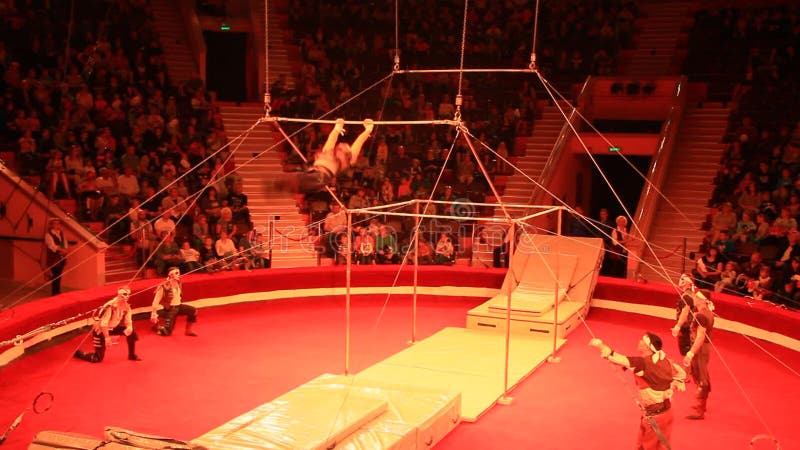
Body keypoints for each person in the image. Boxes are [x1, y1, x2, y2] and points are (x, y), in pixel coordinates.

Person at [590, 332, 686, 450]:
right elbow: (682, 374)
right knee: (660, 446)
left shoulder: (643, 363)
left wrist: (601, 346)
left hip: (655, 416)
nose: (639, 341)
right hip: (667, 412)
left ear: (647, 346)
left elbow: (619, 359)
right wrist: (673, 386)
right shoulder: (665, 360)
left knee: (647, 446)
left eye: (642, 340)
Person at [279, 119, 374, 193]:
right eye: (340, 145)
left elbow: (359, 142)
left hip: (320, 178)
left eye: (344, 147)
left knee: (289, 181)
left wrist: (368, 130)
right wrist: (337, 128)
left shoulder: (347, 160)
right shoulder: (329, 153)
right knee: (285, 181)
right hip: (312, 173)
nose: (342, 144)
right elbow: (332, 139)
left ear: (347, 153)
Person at [74, 286, 141, 362]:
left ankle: (132, 355)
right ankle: (80, 354)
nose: (127, 296)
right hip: (101, 331)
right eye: (125, 294)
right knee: (97, 359)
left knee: (132, 331)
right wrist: (107, 338)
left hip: (113, 328)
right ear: (119, 294)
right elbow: (103, 324)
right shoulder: (110, 306)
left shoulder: (127, 307)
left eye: (128, 294)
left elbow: (128, 320)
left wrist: (129, 327)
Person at [678, 287, 715, 420]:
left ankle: (700, 409)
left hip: (700, 349)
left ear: (702, 301)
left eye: (697, 298)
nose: (694, 299)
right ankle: (702, 405)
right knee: (701, 375)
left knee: (701, 377)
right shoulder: (707, 313)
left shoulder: (701, 316)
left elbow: (700, 337)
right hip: (703, 348)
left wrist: (691, 353)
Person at [150, 267, 198, 337]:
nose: (177, 275)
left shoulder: (179, 282)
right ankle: (157, 326)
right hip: (170, 309)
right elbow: (156, 301)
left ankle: (188, 331)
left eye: (178, 273)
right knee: (167, 332)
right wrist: (153, 314)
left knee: (193, 311)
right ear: (170, 275)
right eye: (175, 273)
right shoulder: (163, 286)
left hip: (179, 306)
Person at [44, 218, 68, 295]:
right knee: (55, 275)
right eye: (55, 223)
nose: (57, 225)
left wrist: (65, 250)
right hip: (53, 257)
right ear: (51, 225)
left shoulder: (61, 233)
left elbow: (64, 242)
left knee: (59, 275)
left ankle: (58, 291)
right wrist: (61, 249)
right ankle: (54, 292)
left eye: (58, 223)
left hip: (61, 256)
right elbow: (52, 246)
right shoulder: (48, 234)